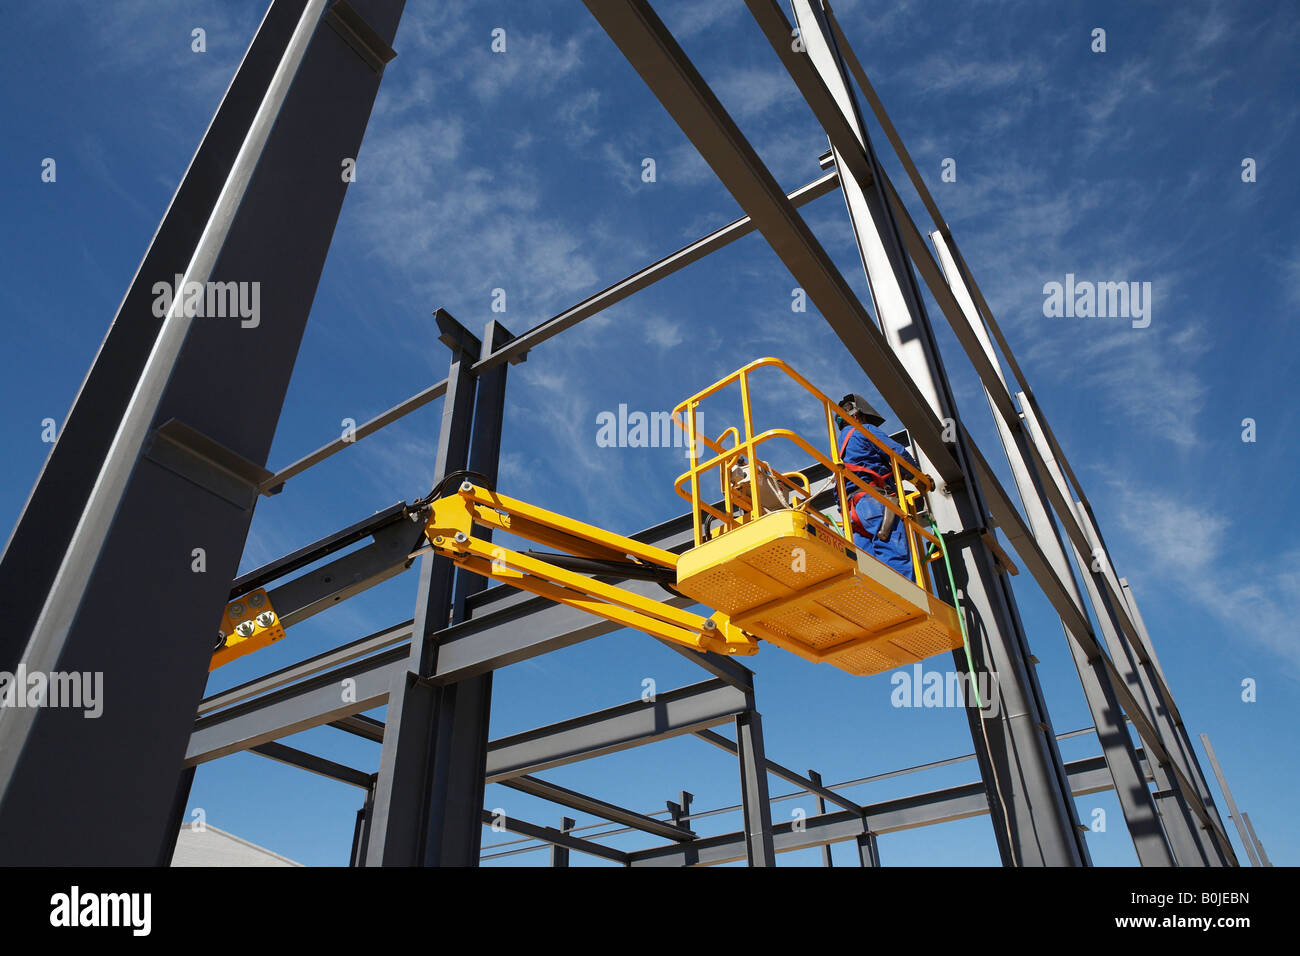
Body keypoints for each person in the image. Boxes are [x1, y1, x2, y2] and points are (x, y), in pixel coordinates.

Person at [835, 393, 919, 579]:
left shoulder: (838, 451)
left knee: (867, 567)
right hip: (874, 503)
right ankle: (903, 599)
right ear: (857, 416)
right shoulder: (863, 430)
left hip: (853, 512)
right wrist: (917, 476)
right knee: (894, 553)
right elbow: (896, 452)